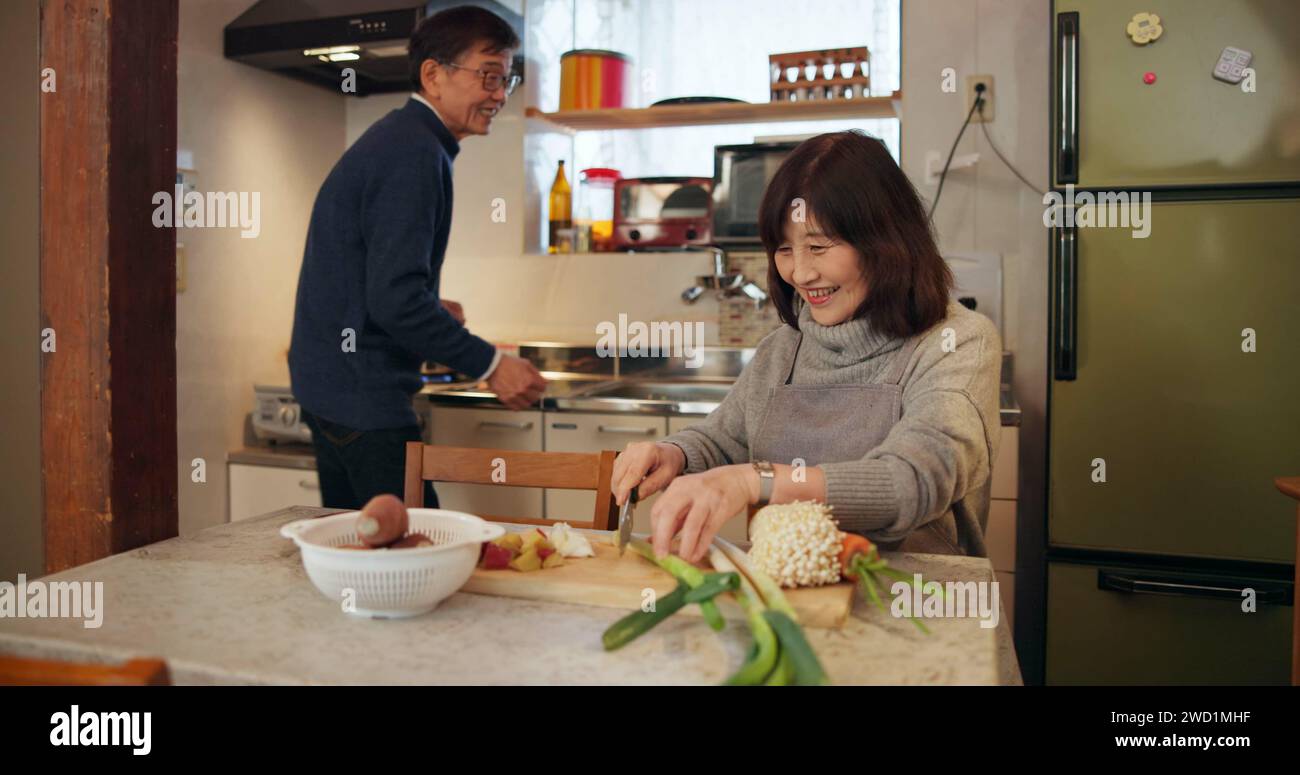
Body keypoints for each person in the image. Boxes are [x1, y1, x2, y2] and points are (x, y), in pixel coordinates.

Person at [610, 130, 1002, 562]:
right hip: (793, 593)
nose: (799, 273)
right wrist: (674, 453)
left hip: (916, 602)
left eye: (817, 247)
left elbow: (913, 481)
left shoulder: (957, 342)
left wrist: (753, 480)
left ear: (886, 243)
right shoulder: (784, 348)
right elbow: (725, 439)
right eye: (784, 249)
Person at [289, 6, 546, 510]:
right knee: (420, 556)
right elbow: (395, 299)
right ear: (433, 74)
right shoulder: (413, 153)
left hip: (331, 388)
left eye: (507, 79)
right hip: (363, 395)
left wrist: (430, 302)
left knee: (362, 550)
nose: (499, 94)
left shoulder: (402, 140)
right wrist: (492, 364)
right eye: (488, 76)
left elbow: (376, 282)